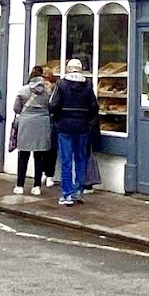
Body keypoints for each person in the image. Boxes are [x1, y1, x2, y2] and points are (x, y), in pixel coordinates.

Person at [48, 58, 98, 206]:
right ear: (81, 69)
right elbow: (94, 107)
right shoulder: (88, 85)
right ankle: (78, 191)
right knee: (81, 158)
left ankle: (66, 194)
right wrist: (87, 119)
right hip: (82, 126)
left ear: (69, 69)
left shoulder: (61, 84)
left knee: (66, 160)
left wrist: (56, 119)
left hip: (64, 126)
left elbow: (54, 105)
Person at [11, 66, 53, 195]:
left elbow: (16, 108)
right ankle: (36, 186)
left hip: (26, 123)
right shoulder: (48, 91)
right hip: (42, 124)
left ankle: (19, 185)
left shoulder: (23, 91)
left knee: (23, 155)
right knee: (39, 156)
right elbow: (51, 107)